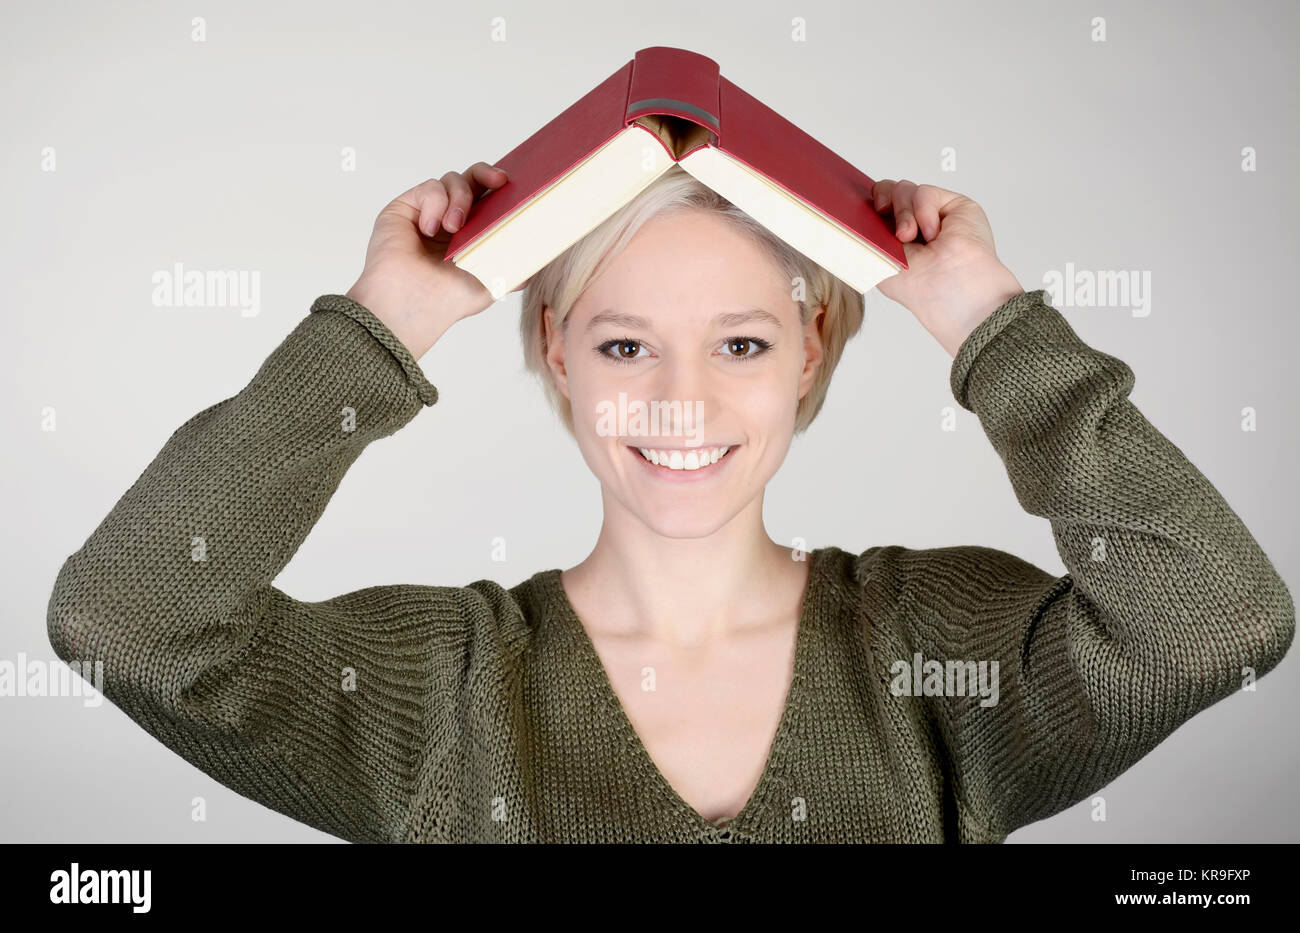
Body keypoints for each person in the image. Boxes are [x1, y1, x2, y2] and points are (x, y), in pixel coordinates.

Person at [47, 161, 1294, 843]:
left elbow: (1215, 625)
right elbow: (126, 622)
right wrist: (384, 328)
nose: (680, 404)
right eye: (627, 347)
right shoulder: (437, 681)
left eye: (742, 345)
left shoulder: (935, 646)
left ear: (811, 351)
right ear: (555, 352)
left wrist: (988, 325)